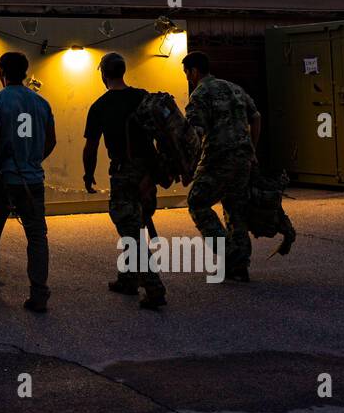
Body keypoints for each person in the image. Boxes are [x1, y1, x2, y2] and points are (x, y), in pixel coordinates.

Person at [0, 51, 56, 312]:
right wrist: (31, 159)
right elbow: (50, 141)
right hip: (33, 181)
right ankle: (38, 294)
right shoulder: (41, 103)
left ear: (2, 73)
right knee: (37, 237)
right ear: (25, 73)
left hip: (4, 179)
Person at [83, 52, 166, 309]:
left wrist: (89, 174)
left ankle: (154, 288)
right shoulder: (143, 97)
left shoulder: (100, 106)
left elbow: (91, 146)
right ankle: (128, 280)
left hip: (123, 173)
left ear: (103, 74)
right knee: (135, 224)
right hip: (146, 172)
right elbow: (162, 136)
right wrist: (152, 176)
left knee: (129, 230)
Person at [181, 51, 261, 282]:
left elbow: (195, 134)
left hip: (218, 159)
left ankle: (231, 254)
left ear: (194, 71)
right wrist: (252, 150)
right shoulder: (234, 88)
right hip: (243, 159)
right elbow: (256, 117)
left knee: (197, 202)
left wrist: (188, 167)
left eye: (187, 74)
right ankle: (240, 266)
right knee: (235, 209)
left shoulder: (200, 94)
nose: (188, 79)